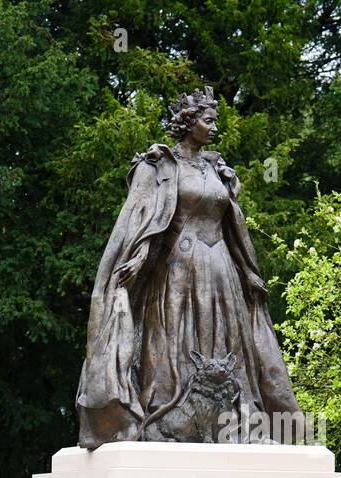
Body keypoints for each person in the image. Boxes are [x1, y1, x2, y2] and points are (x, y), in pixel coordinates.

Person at [76, 86, 303, 449]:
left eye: (215, 121)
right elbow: (136, 219)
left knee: (230, 341)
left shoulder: (216, 167)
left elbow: (230, 224)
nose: (214, 127)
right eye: (208, 120)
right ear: (188, 122)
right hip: (179, 265)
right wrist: (136, 255)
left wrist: (246, 266)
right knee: (174, 341)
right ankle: (169, 417)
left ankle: (237, 423)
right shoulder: (159, 166)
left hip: (222, 267)